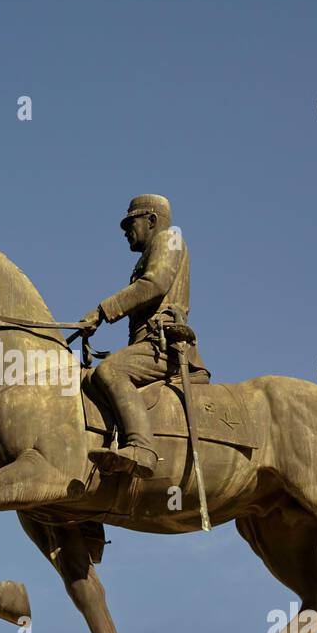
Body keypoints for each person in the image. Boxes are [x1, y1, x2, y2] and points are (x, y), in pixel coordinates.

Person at [77, 194, 207, 477]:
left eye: (130, 224)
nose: (125, 232)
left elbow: (155, 284)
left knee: (110, 371)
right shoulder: (152, 251)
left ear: (151, 220)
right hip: (148, 345)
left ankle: (141, 448)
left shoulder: (168, 238)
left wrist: (102, 311)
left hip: (163, 347)